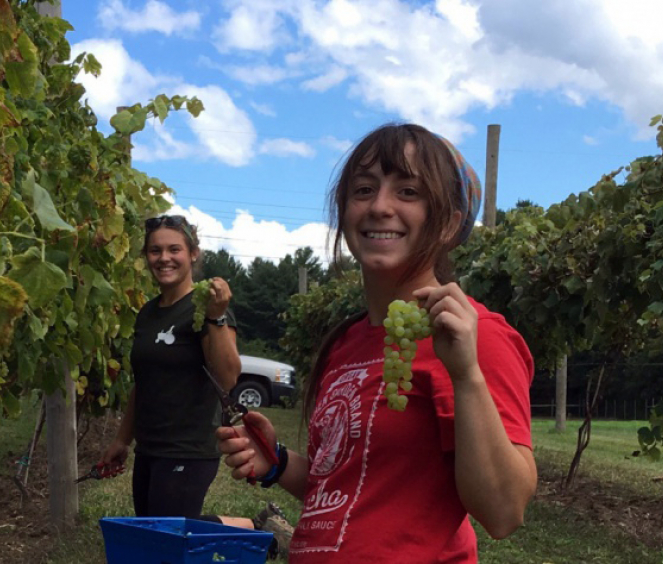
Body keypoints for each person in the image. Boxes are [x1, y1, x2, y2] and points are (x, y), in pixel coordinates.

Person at [216, 123, 537, 563]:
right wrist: (277, 462)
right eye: (364, 189)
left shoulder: (473, 335)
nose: (380, 206)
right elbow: (349, 490)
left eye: (408, 192)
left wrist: (466, 375)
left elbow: (504, 513)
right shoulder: (346, 341)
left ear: (449, 224)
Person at [100, 214, 241, 519]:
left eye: (174, 249)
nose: (164, 258)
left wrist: (216, 317)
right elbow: (144, 382)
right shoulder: (148, 313)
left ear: (193, 254)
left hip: (188, 450)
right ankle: (253, 525)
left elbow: (228, 378)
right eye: (155, 250)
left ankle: (254, 528)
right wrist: (123, 440)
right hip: (149, 450)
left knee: (165, 541)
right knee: (154, 535)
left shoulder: (206, 307)